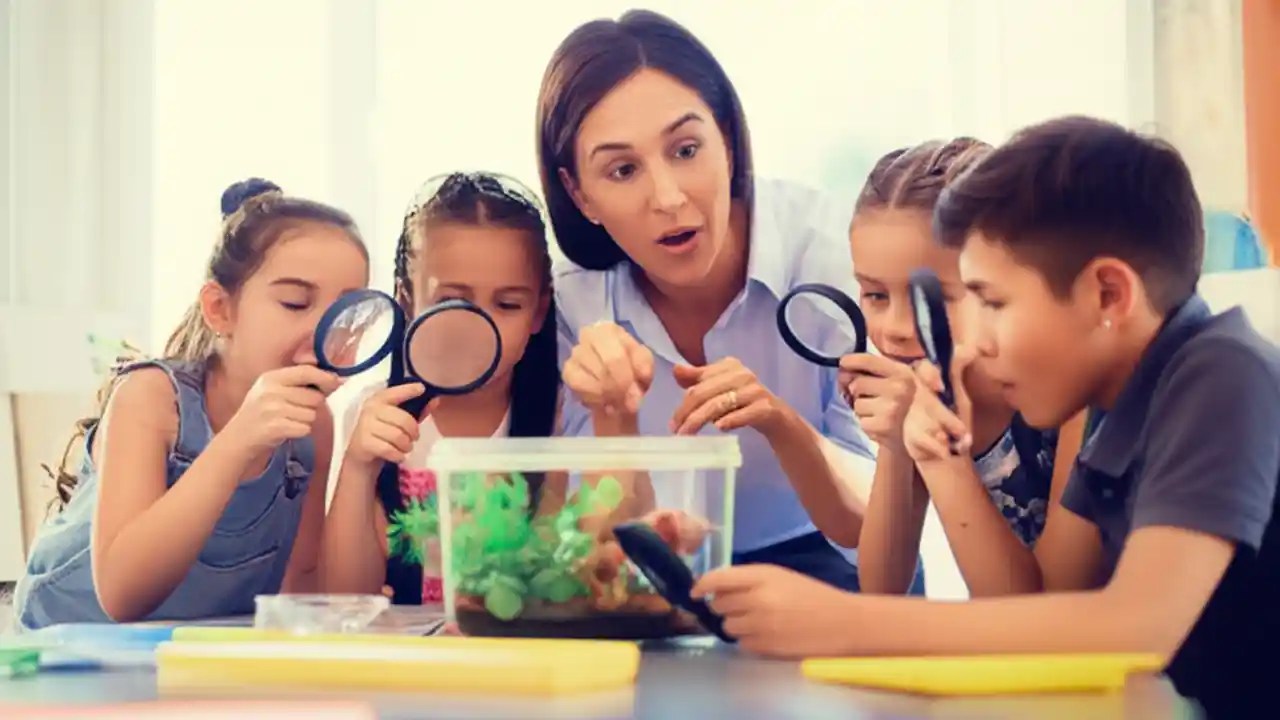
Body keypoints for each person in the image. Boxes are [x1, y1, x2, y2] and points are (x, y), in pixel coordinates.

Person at [691, 116, 1280, 717]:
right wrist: (920, 450)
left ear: (1108, 296)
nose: (972, 339)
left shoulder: (1223, 371)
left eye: (991, 303)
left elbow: (1139, 625)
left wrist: (841, 620)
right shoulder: (1115, 400)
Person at [537, 9, 888, 592]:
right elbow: (603, 555)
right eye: (623, 170)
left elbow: (880, 521)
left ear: (726, 137)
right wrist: (613, 415)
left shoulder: (830, 253)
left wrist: (782, 422)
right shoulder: (571, 300)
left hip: (838, 568)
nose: (669, 198)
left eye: (686, 149)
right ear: (579, 194)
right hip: (659, 570)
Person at [14, 179, 368, 629]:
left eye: (349, 315)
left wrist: (360, 468)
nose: (326, 334)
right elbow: (122, 596)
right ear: (221, 310)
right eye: (295, 302)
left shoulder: (315, 423)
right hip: (68, 651)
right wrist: (237, 442)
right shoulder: (151, 399)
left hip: (191, 656)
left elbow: (298, 585)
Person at [843, 138, 1088, 597]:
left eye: (930, 299)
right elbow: (882, 588)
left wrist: (939, 455)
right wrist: (898, 445)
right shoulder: (927, 388)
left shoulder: (1072, 396)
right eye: (876, 295)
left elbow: (1037, 613)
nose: (895, 328)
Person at [322, 172, 561, 604]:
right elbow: (345, 599)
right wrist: (360, 467)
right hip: (410, 668)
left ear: (539, 312)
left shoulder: (559, 416)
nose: (478, 326)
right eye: (453, 300)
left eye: (508, 304)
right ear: (407, 300)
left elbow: (564, 582)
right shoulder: (372, 415)